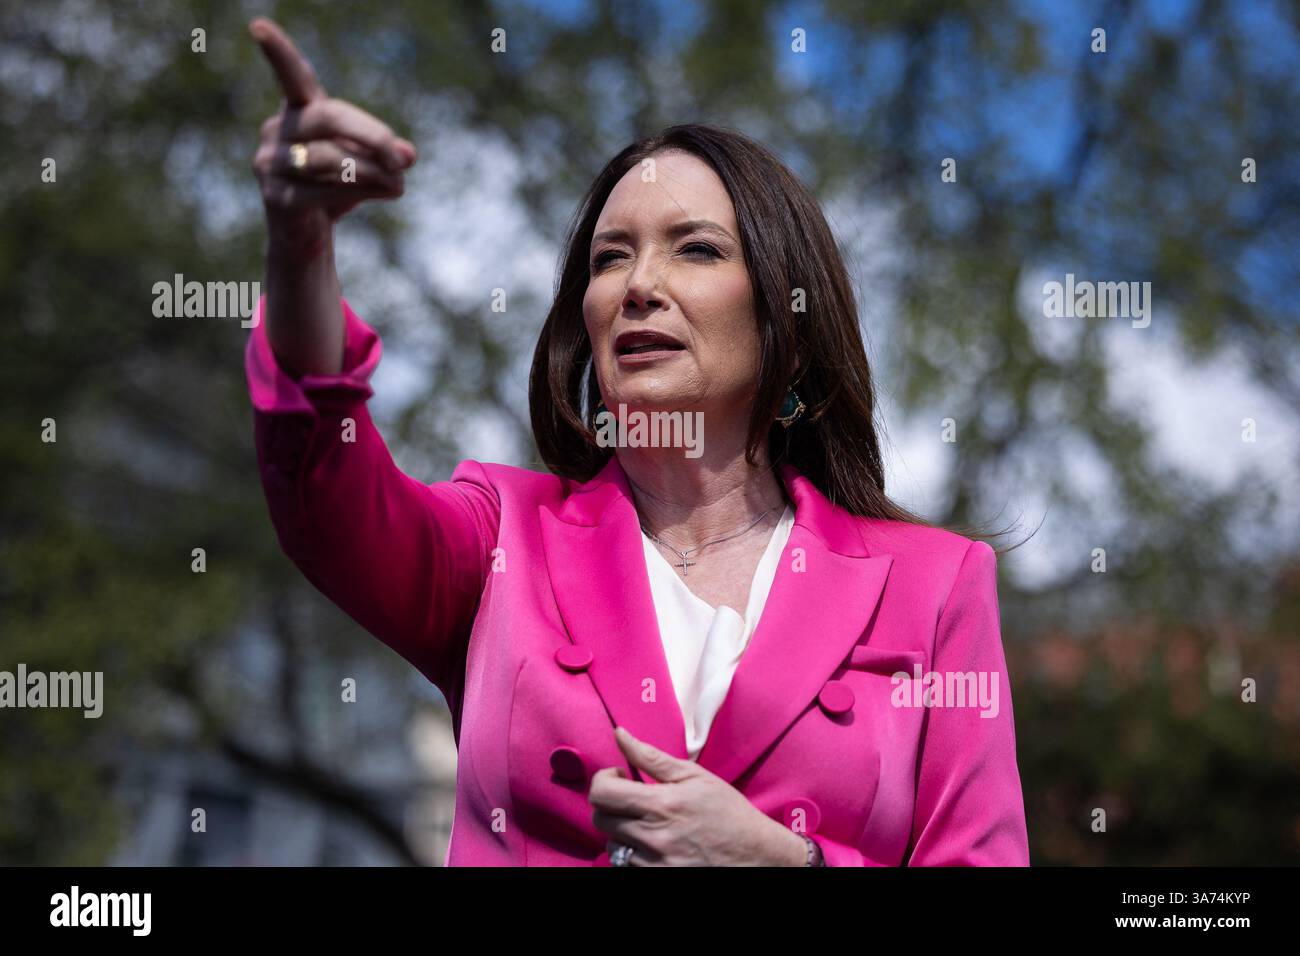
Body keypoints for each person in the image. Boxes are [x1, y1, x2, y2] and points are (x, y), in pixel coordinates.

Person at [245, 16, 1030, 866]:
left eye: (695, 249)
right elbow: (324, 487)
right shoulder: (502, 538)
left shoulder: (935, 585)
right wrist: (300, 245)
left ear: (789, 326)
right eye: (611, 258)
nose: (640, 285)